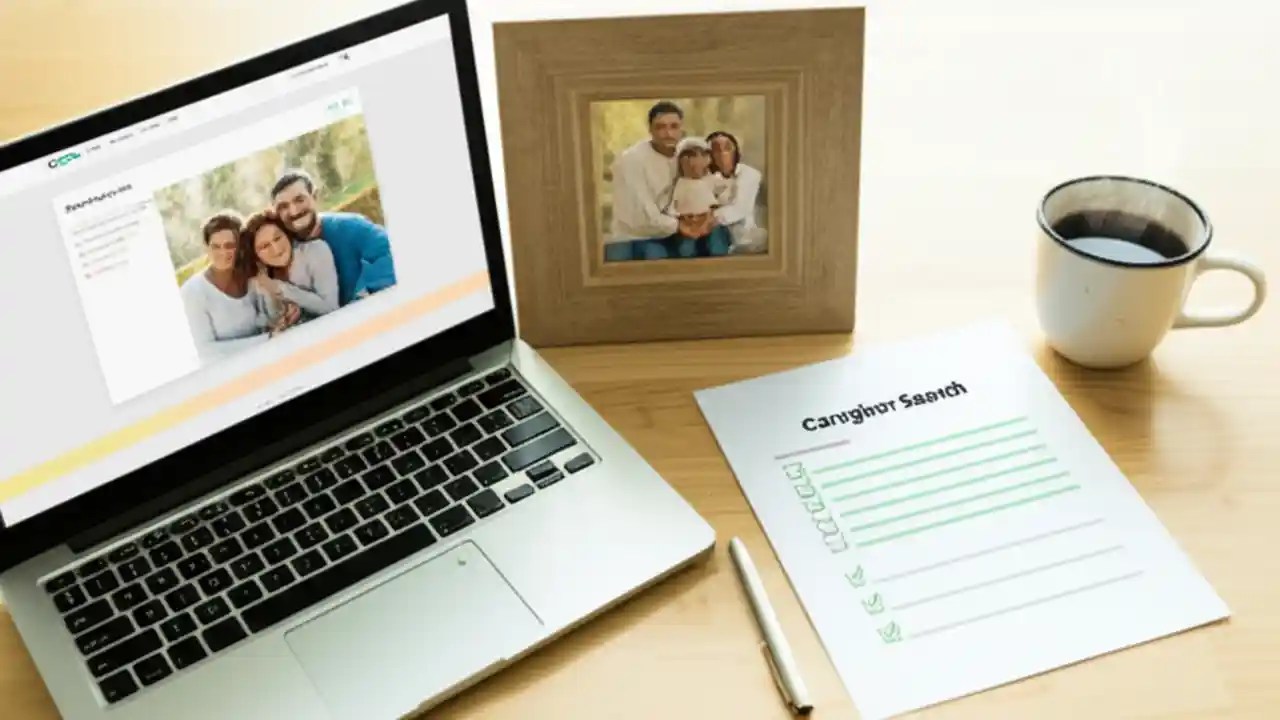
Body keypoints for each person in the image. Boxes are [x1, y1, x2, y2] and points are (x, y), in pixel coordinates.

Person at [179, 212, 298, 360]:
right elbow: (206, 350)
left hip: (266, 358)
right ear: (207, 248)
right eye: (216, 246)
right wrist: (267, 338)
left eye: (230, 246)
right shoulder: (193, 292)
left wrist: (284, 318)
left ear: (241, 247)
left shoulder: (251, 277)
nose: (223, 252)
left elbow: (268, 320)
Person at [271, 169, 395, 305]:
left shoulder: (351, 227)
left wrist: (364, 296)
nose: (293, 211)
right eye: (283, 207)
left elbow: (387, 250)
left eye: (300, 200)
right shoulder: (280, 250)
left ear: (315, 196)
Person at [605, 100, 685, 261]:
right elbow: (642, 217)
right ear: (650, 129)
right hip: (633, 239)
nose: (668, 133)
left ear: (681, 129)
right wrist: (683, 226)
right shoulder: (631, 160)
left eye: (674, 127)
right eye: (661, 127)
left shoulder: (685, 156)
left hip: (671, 234)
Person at [242, 210, 340, 321]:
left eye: (278, 238)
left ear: (286, 235)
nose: (276, 248)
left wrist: (281, 289)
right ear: (256, 255)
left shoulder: (315, 251)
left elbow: (331, 307)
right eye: (265, 246)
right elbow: (270, 322)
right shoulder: (263, 277)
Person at [664, 136, 732, 257]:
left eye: (699, 157)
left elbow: (726, 189)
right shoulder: (680, 184)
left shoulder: (710, 180)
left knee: (716, 243)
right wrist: (679, 218)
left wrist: (718, 205)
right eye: (688, 161)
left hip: (708, 219)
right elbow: (673, 205)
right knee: (686, 249)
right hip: (688, 223)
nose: (693, 166)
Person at [707, 130, 767, 254]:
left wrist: (709, 217)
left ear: (735, 151)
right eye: (716, 149)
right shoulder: (707, 177)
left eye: (727, 148)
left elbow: (741, 208)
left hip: (743, 237)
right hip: (710, 232)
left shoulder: (749, 174)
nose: (722, 153)